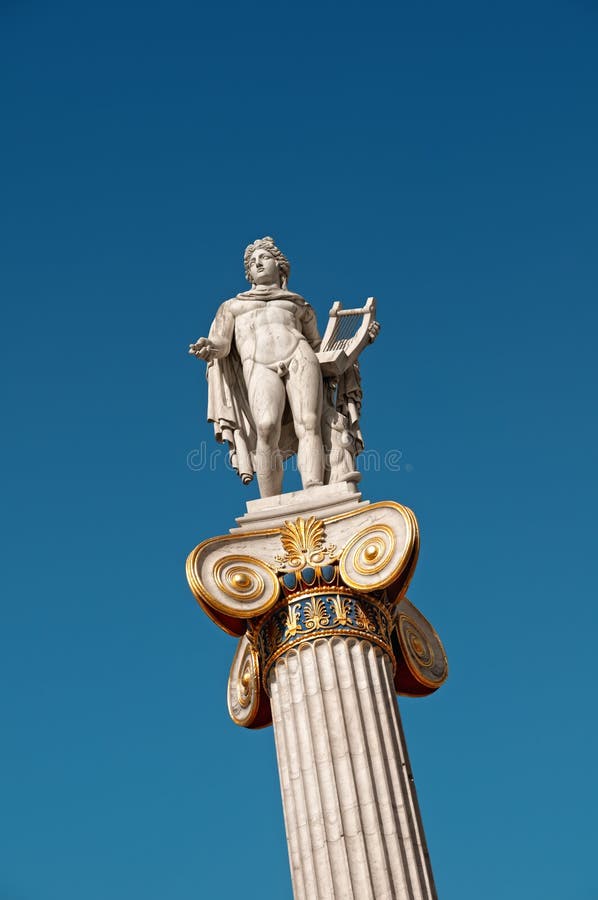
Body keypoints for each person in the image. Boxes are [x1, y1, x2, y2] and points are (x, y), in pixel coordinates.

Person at [189, 237, 325, 498]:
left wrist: (358, 344)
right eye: (252, 262)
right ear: (248, 274)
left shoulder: (297, 304)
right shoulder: (233, 306)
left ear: (280, 266)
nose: (257, 263)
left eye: (264, 257)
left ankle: (314, 489)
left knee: (309, 422)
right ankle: (270, 501)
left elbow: (319, 346)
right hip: (259, 364)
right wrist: (209, 346)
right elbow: (222, 344)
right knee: (265, 426)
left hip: (300, 354)